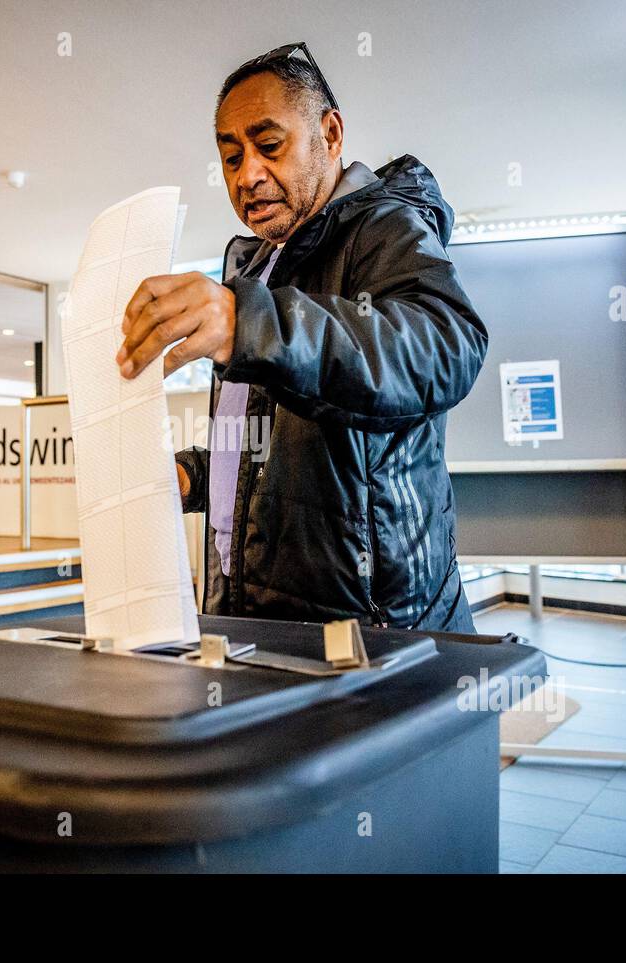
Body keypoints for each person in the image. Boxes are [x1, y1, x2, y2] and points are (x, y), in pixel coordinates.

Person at [117, 42, 487, 632]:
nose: (248, 175)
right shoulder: (255, 269)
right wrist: (193, 475)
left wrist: (248, 321)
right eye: (231, 157)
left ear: (331, 133)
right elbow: (278, 452)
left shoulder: (386, 228)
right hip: (256, 618)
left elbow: (445, 346)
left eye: (268, 146)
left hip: (374, 633)